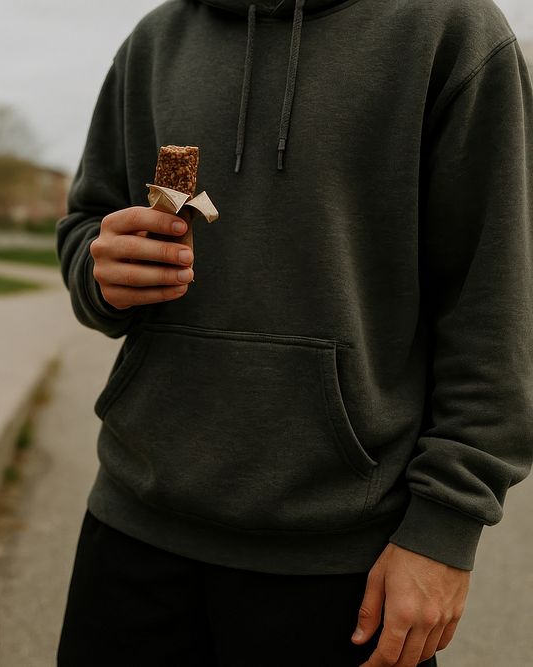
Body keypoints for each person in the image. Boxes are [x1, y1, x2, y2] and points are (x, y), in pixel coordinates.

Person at [56, 0, 533, 665]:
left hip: (346, 560)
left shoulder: (452, 29)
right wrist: (101, 270)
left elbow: (495, 304)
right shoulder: (154, 41)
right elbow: (87, 222)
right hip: (133, 529)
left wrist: (446, 527)